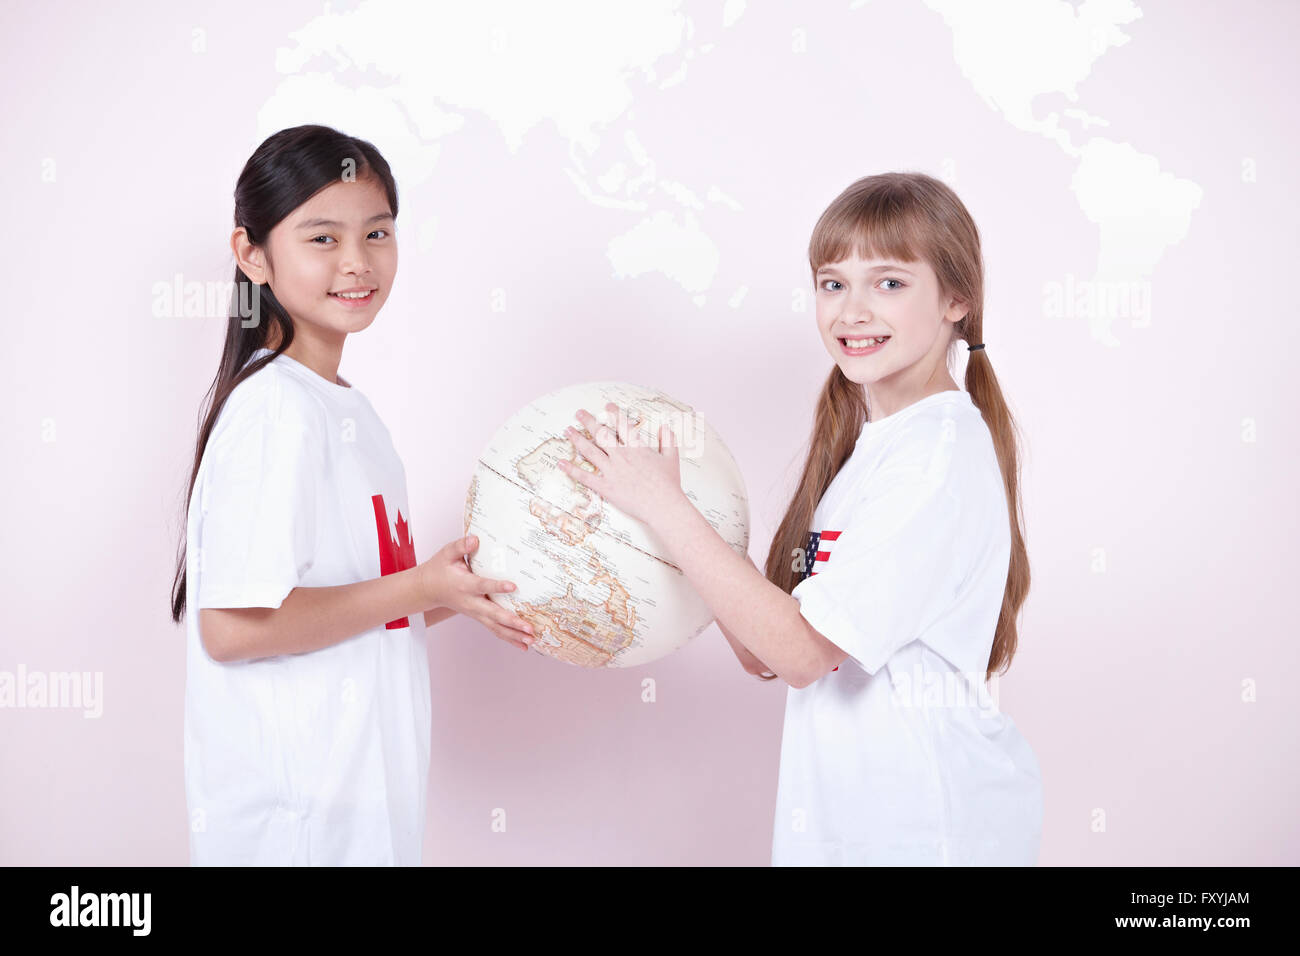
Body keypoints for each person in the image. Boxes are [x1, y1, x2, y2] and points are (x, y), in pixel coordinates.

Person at [558, 171, 1044, 866]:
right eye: (832, 283)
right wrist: (670, 509)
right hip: (855, 831)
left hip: (928, 834)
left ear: (957, 301)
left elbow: (801, 653)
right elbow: (765, 648)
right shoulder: (872, 450)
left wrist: (661, 501)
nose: (852, 311)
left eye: (890, 283)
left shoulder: (932, 457)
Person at [168, 124, 536, 866]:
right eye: (322, 238)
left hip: (364, 814)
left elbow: (353, 605)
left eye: (376, 232)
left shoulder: (344, 410)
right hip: (297, 827)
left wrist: (448, 593)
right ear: (251, 254)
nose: (357, 262)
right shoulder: (276, 411)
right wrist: (418, 584)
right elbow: (234, 629)